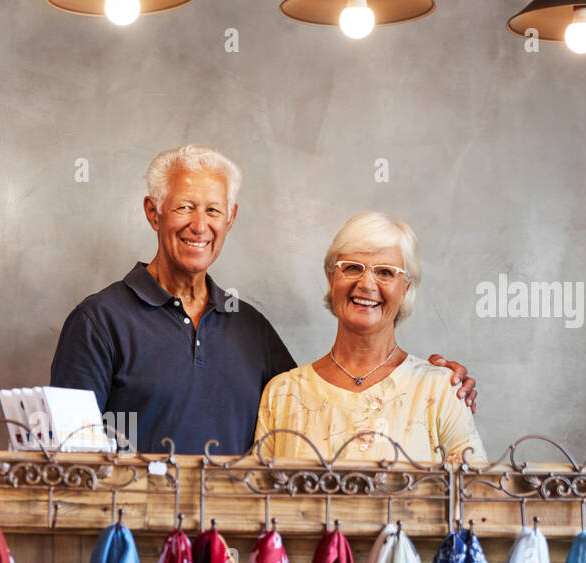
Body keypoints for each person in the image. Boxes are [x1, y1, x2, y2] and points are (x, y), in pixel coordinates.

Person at [49, 145, 477, 456]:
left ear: (230, 218)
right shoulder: (97, 322)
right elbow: (66, 458)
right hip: (136, 552)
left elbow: (320, 401)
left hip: (231, 554)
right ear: (153, 212)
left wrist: (434, 381)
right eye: (184, 207)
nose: (200, 225)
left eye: (214, 211)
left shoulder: (248, 326)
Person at [255, 212, 486, 464]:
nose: (366, 284)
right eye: (352, 268)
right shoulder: (281, 394)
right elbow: (260, 501)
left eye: (385, 272)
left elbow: (473, 498)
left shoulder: (441, 391)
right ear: (331, 280)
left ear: (405, 289)